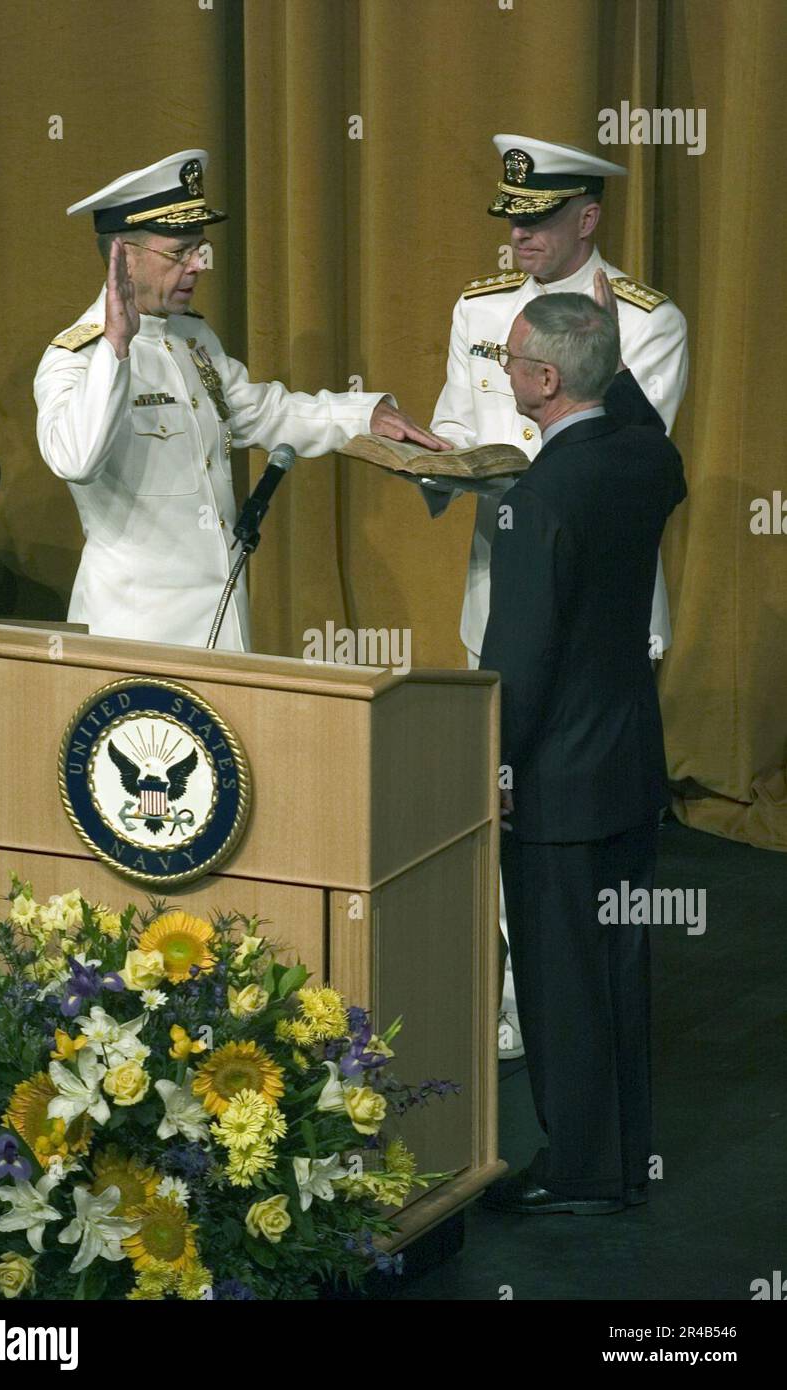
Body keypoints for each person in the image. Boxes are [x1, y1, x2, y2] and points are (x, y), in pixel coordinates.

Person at [429, 134, 689, 1057]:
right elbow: (459, 420)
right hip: (500, 591)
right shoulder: (478, 307)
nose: (519, 234)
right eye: (511, 216)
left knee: (576, 815)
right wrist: (440, 462)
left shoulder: (645, 320)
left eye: (538, 220)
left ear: (588, 218)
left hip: (595, 612)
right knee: (502, 802)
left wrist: (523, 481)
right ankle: (514, 988)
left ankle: (584, 1004)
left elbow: (621, 463)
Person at [35, 149, 446, 649]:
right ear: (124, 255)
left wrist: (363, 413)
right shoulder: (77, 357)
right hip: (136, 632)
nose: (197, 266)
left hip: (222, 624)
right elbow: (75, 459)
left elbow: (262, 411)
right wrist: (116, 345)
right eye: (179, 252)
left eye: (200, 249)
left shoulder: (193, 339)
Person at [478, 290, 686, 1213]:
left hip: (556, 784)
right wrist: (612, 351)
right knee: (618, 974)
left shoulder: (540, 497)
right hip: (628, 764)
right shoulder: (645, 459)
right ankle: (625, 1156)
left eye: (514, 361)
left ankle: (580, 1170)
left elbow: (520, 659)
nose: (507, 373)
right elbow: (650, 434)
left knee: (561, 981)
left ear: (547, 380)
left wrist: (496, 766)